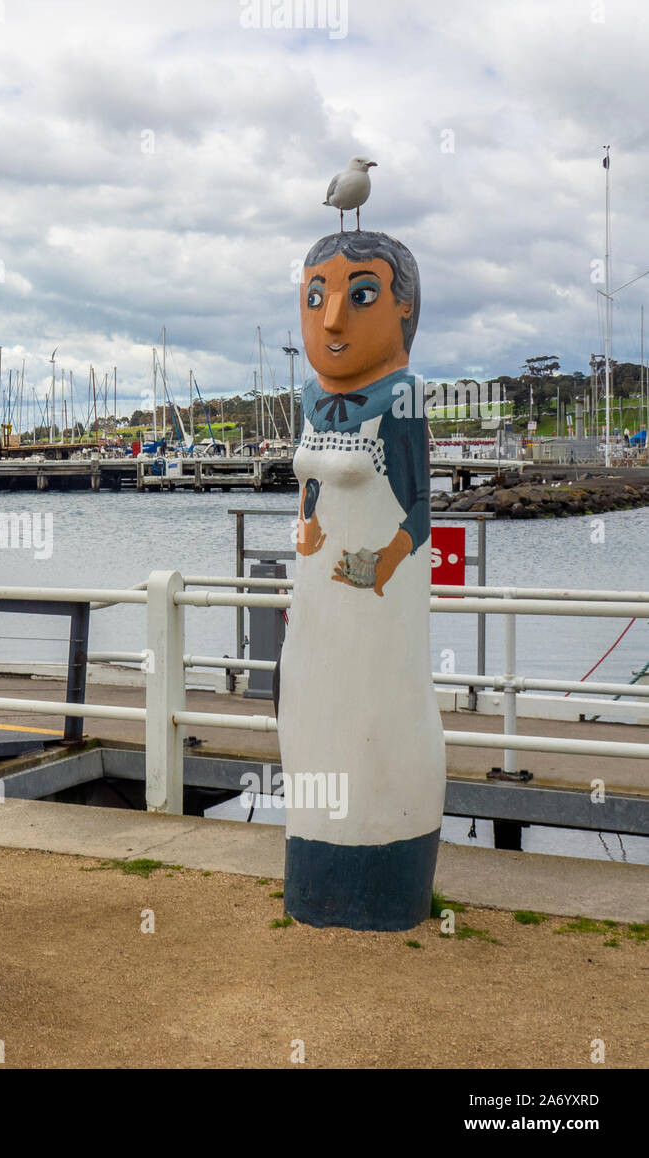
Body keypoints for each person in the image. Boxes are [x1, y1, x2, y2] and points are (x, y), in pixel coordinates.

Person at [277, 230, 445, 931]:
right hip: (315, 600)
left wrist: (386, 558)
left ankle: (386, 876)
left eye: (361, 295)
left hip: (377, 605)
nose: (333, 319)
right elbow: (311, 488)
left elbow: (420, 507)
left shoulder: (401, 400)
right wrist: (307, 528)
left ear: (404, 310)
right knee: (310, 716)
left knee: (378, 718)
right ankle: (314, 876)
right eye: (316, 298)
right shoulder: (312, 403)